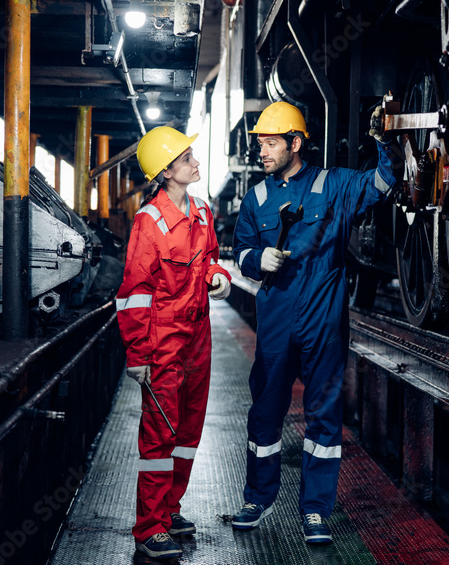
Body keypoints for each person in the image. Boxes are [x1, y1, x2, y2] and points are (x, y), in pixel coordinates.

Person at [230, 101, 396, 544]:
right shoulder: (257, 198)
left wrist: (383, 141)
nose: (261, 152)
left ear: (295, 143)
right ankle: (257, 498)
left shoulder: (334, 185)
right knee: (265, 411)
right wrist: (255, 258)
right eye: (260, 144)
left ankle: (316, 510)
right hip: (277, 321)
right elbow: (240, 249)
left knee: (323, 418)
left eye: (270, 143)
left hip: (323, 320)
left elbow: (381, 184)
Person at [116, 126, 232, 559]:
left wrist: (217, 278)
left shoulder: (202, 212)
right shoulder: (149, 223)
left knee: (187, 431)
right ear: (166, 172)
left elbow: (211, 259)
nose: (195, 163)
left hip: (197, 339)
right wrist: (138, 354)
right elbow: (133, 294)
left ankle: (169, 509)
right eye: (186, 159)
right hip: (163, 342)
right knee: (159, 435)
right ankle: (149, 528)